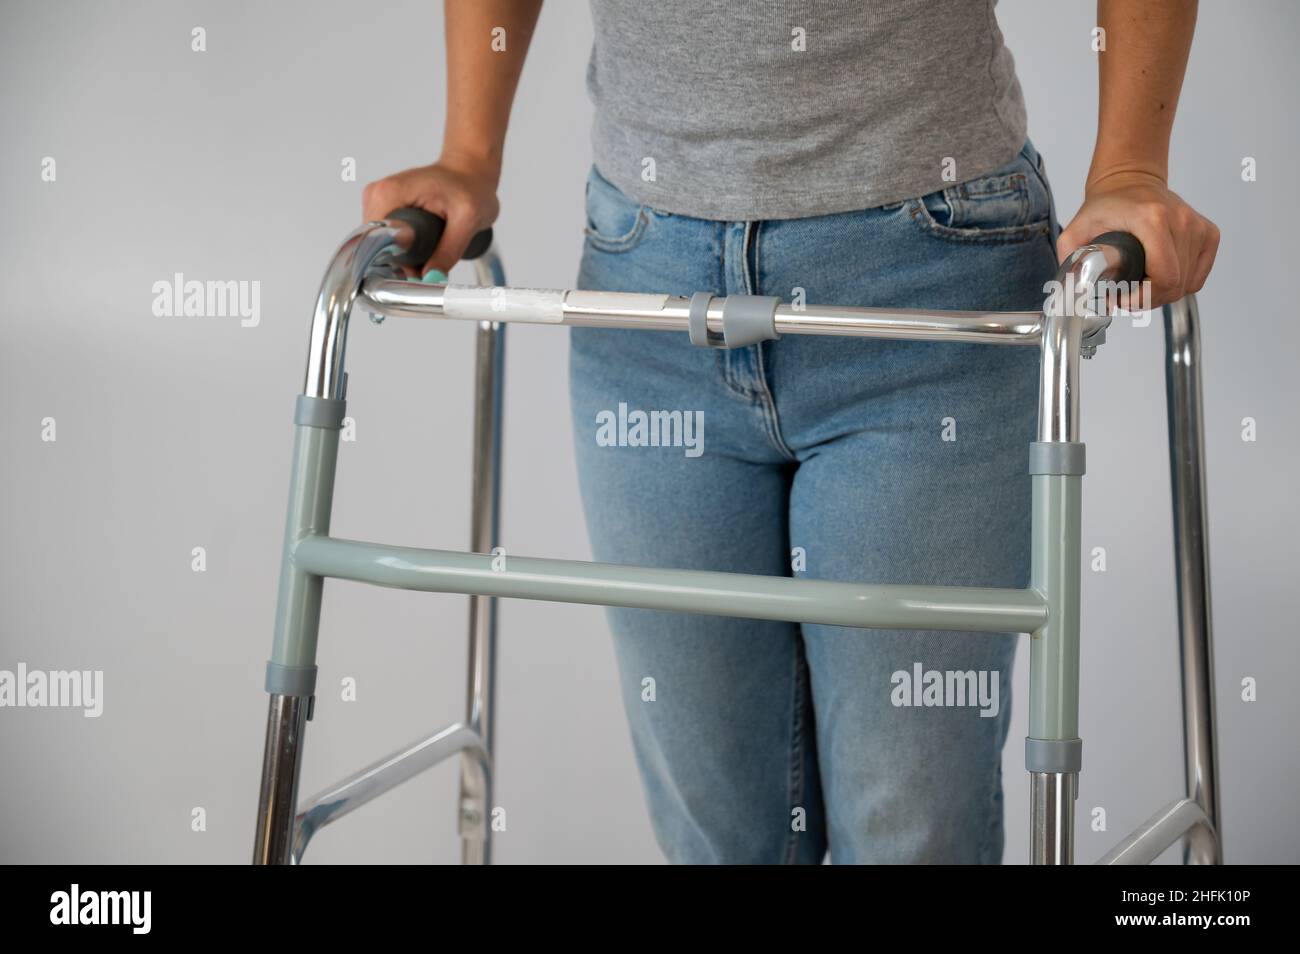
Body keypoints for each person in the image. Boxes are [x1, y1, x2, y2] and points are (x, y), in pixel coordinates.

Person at [362, 0, 1219, 864]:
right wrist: (468, 153)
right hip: (647, 291)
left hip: (927, 286)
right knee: (719, 834)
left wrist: (1130, 168)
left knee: (909, 831)